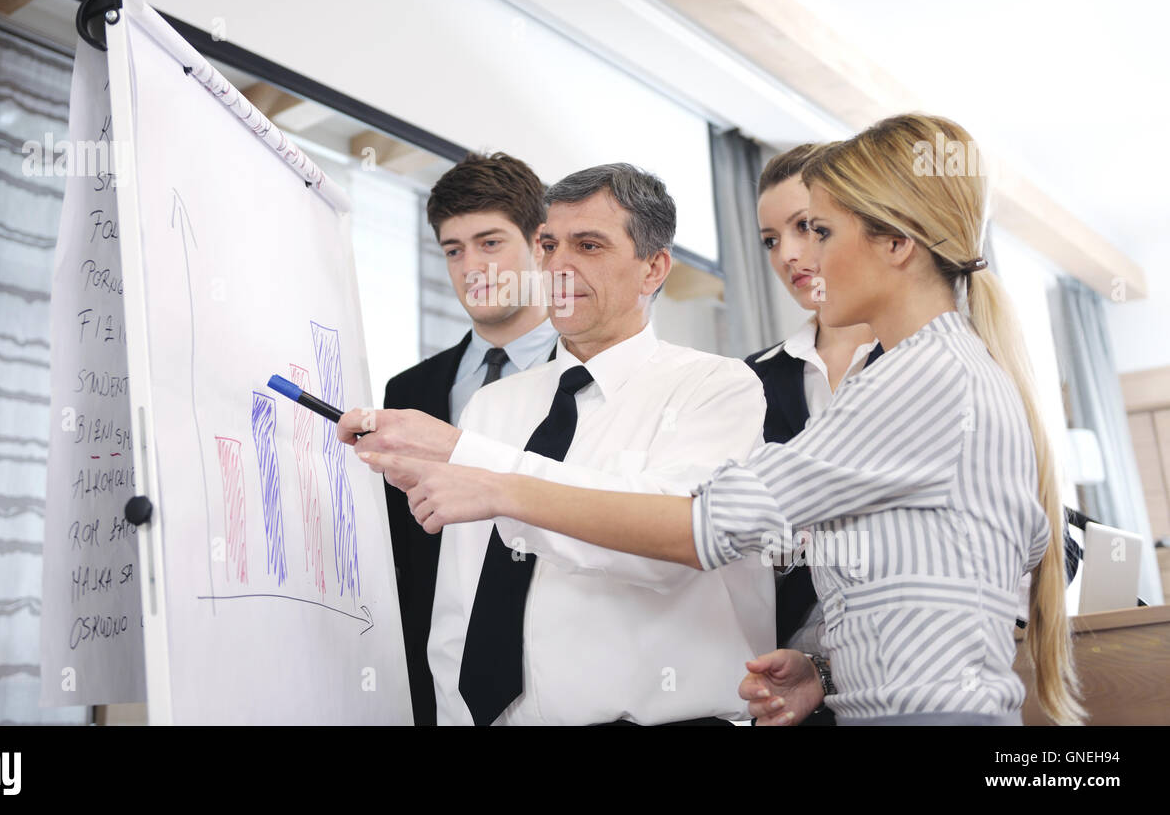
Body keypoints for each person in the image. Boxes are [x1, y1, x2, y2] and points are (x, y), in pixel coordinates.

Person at [362, 114, 1084, 726]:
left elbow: (699, 527)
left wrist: (492, 478)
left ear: (896, 244)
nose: (801, 260)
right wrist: (823, 667)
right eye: (782, 237)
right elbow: (972, 558)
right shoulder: (921, 375)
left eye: (820, 231)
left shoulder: (914, 382)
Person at [342, 163, 773, 726]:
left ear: (654, 269)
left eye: (588, 245)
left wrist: (479, 468)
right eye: (549, 244)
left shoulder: (716, 388)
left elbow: (670, 543)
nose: (558, 265)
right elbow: (460, 606)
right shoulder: (493, 408)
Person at [382, 151, 556, 726]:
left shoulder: (589, 375)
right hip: (440, 680)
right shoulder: (409, 389)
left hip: (562, 666)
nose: (471, 266)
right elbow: (404, 555)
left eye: (490, 242)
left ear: (540, 242)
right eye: (453, 249)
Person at [749, 144, 881, 725]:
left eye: (806, 227)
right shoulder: (744, 382)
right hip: (790, 693)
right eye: (772, 239)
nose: (790, 255)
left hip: (910, 683)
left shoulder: (928, 364)